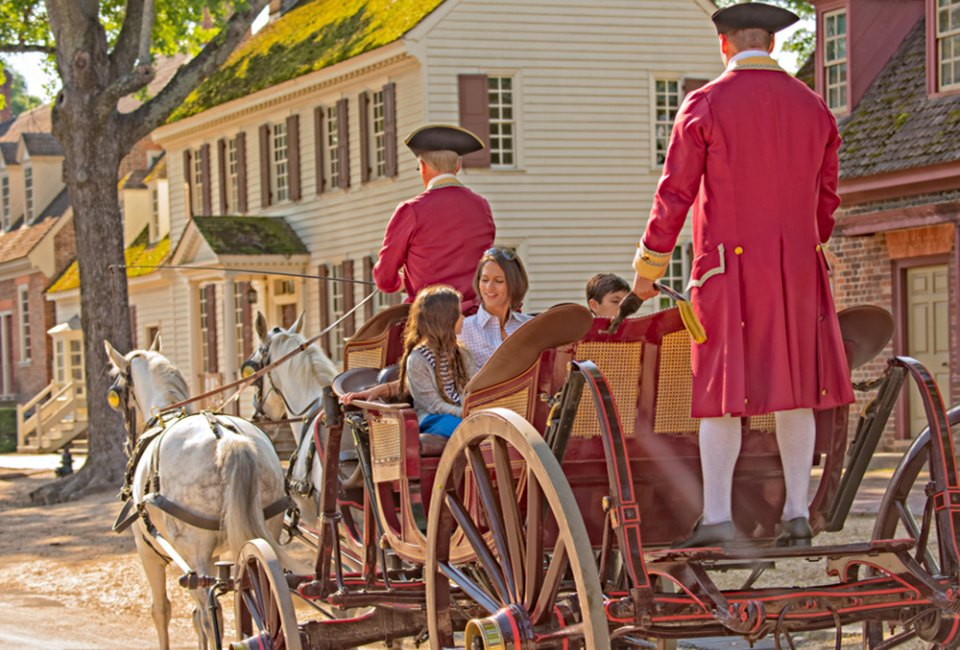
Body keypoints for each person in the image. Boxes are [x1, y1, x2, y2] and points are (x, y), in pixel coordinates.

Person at [631, 2, 854, 548]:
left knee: (721, 392)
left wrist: (647, 269)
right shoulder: (815, 108)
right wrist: (804, 244)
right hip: (799, 271)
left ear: (724, 45)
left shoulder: (705, 104)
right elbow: (826, 203)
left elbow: (675, 195)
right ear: (773, 46)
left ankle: (716, 517)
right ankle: (798, 515)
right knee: (795, 389)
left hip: (726, 272)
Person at [373, 125, 496, 314]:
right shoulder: (482, 206)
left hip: (429, 319)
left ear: (422, 167)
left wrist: (400, 283)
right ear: (458, 166)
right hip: (477, 316)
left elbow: (384, 278)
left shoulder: (411, 210)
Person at [396, 286, 477, 437]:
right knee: (465, 429)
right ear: (445, 320)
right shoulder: (417, 360)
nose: (463, 318)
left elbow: (474, 387)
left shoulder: (462, 353)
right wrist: (465, 412)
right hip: (432, 418)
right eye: (458, 314)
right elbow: (433, 405)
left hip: (464, 414)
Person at [460, 247, 532, 368]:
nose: (489, 287)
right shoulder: (462, 331)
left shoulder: (530, 327)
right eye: (484, 280)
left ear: (514, 284)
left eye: (498, 281)